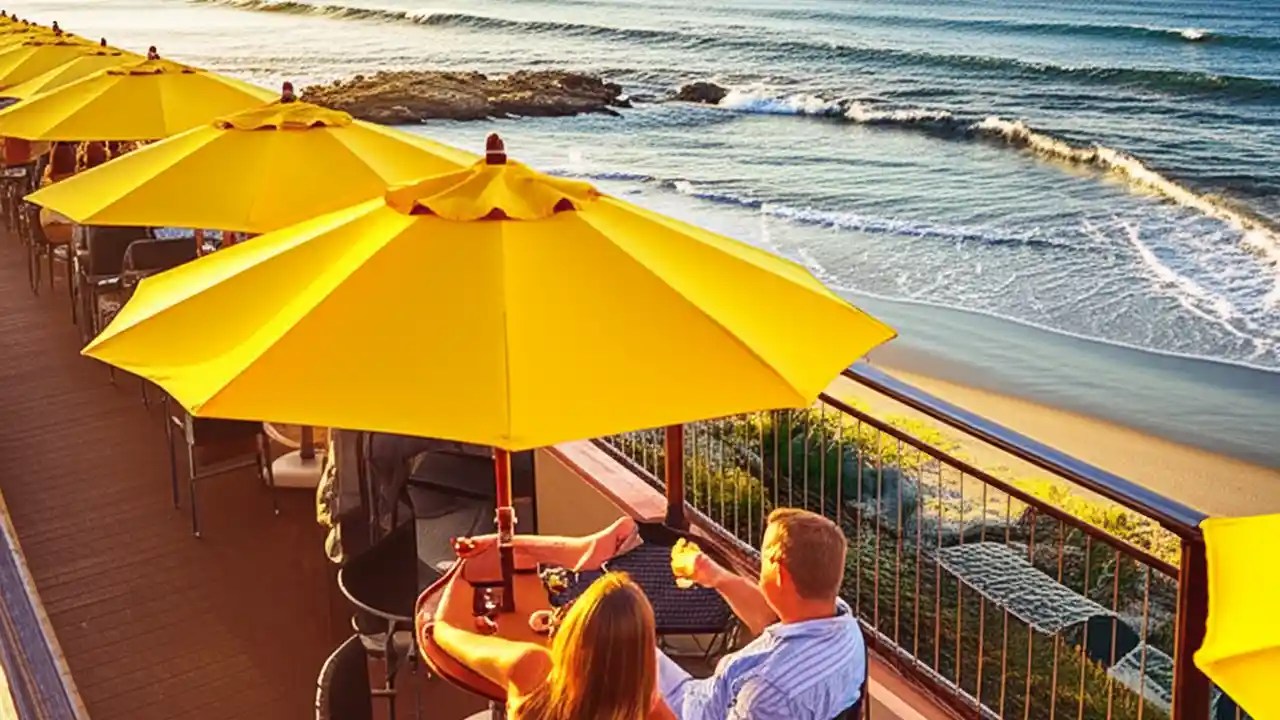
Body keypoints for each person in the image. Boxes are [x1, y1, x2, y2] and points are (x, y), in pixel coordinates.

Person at [664, 508, 865, 719]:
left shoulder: (768, 692)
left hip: (688, 712)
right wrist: (715, 576)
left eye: (763, 558)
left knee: (631, 654)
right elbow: (770, 615)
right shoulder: (844, 626)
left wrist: (648, 703)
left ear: (778, 574)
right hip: (699, 696)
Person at [433, 567, 677, 720]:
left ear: (575, 630)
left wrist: (464, 568)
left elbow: (446, 630)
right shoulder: (646, 708)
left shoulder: (534, 670)